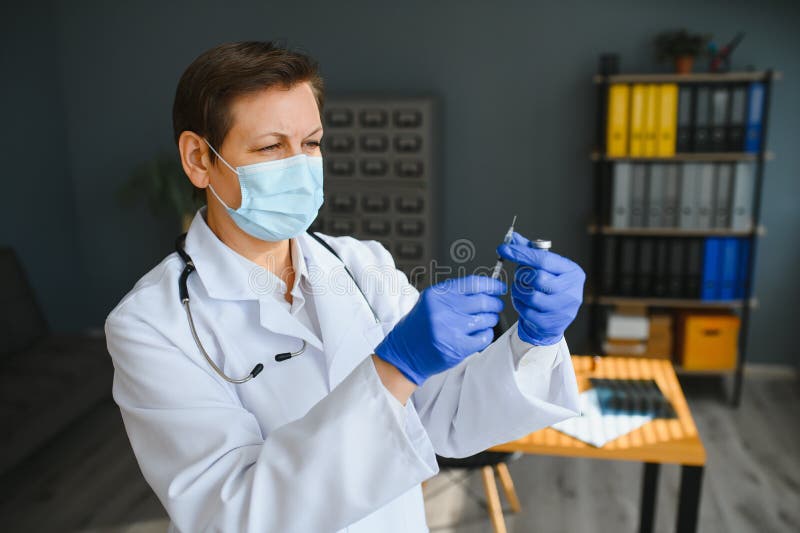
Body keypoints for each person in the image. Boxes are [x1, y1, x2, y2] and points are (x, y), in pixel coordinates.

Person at [105, 41, 585, 533]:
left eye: (310, 143)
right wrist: (394, 369)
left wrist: (534, 340)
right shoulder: (151, 325)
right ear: (198, 158)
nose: (299, 165)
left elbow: (447, 417)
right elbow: (232, 516)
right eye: (271, 147)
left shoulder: (360, 263)